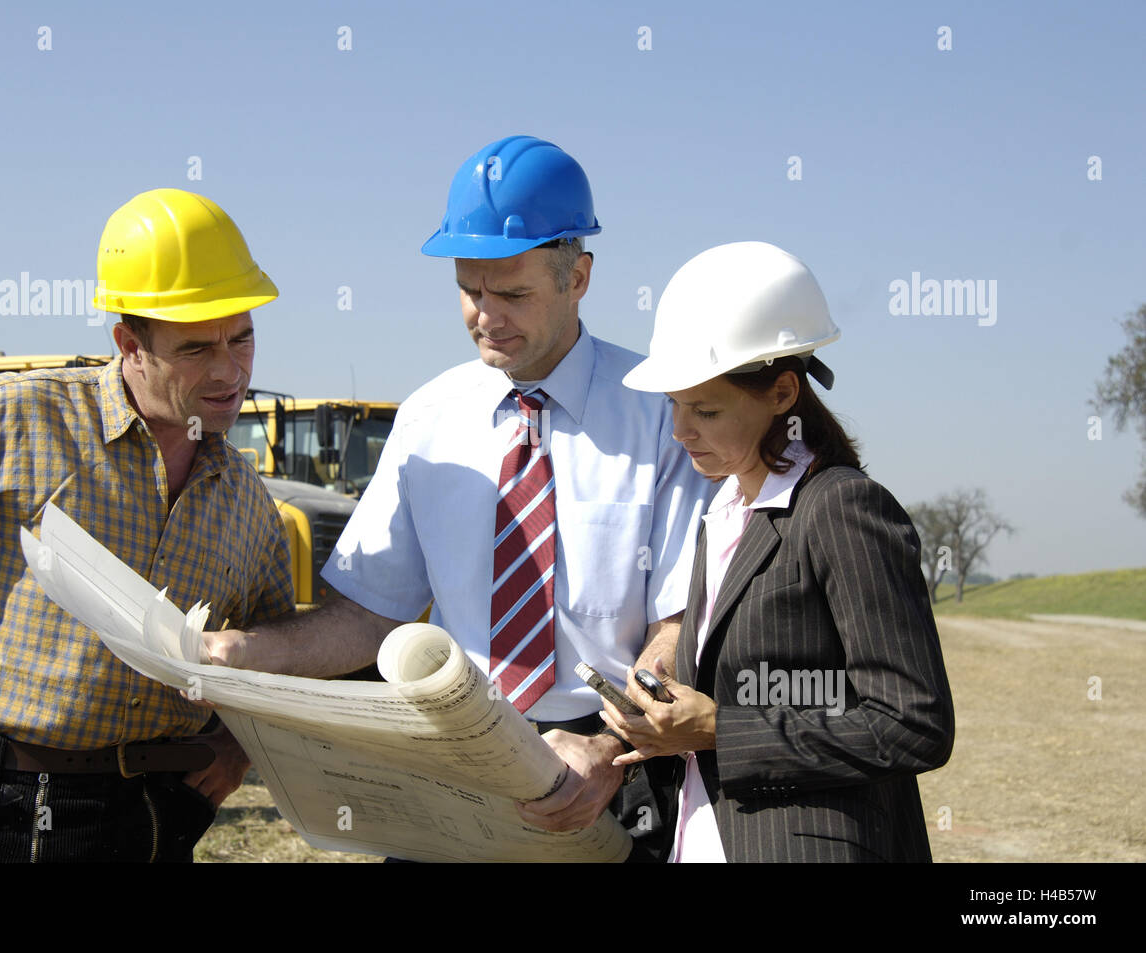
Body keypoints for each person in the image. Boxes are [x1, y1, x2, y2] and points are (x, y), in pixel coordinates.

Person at [204, 135, 711, 860]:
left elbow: (677, 625)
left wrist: (611, 744)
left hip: (609, 771)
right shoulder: (428, 418)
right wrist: (252, 651)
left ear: (580, 278)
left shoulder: (660, 416)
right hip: (449, 763)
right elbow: (372, 614)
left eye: (512, 294)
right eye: (469, 291)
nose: (485, 315)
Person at [0, 188, 294, 862]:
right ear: (127, 342)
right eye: (197, 348)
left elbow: (276, 649)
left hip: (157, 818)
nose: (230, 372)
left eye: (243, 337)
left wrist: (236, 746)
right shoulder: (6, 422)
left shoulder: (249, 504)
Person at [601, 241, 954, 862]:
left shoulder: (841, 509)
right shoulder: (725, 512)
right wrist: (664, 720)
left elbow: (913, 726)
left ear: (783, 394)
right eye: (674, 407)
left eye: (706, 409)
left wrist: (718, 730)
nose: (682, 432)